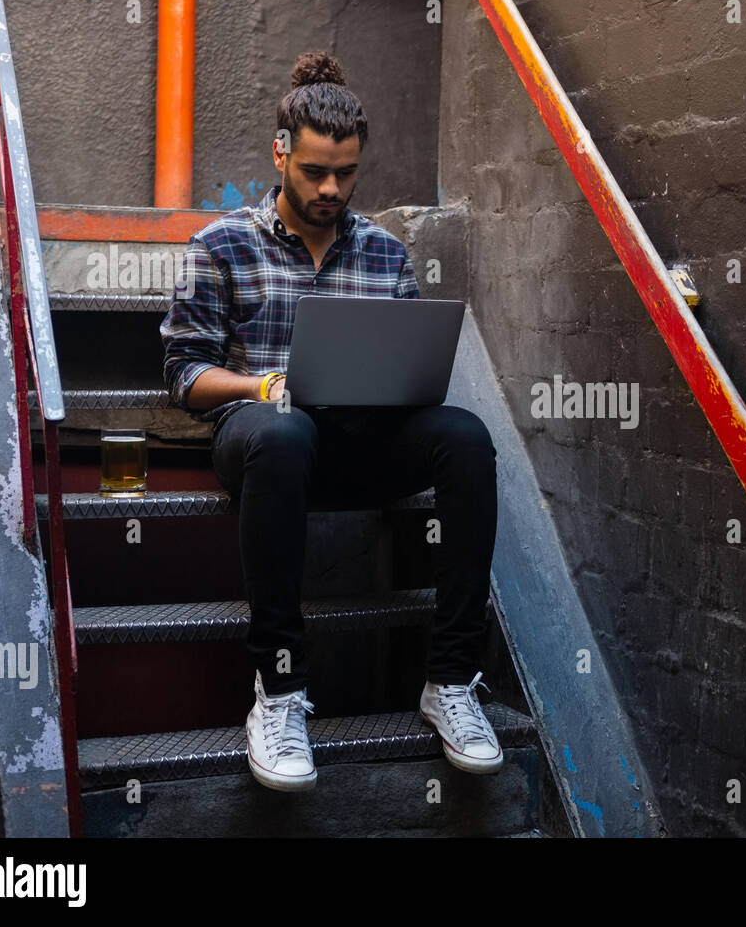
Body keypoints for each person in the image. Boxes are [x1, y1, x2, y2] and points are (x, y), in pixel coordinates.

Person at [159, 49, 503, 792]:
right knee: (285, 430)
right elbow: (184, 375)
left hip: (362, 441)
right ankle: (280, 693)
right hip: (265, 439)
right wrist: (260, 384)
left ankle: (450, 680)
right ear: (280, 154)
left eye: (346, 173)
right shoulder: (217, 245)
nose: (330, 188)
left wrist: (405, 386)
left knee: (467, 439)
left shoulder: (384, 253)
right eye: (315, 171)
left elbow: (409, 362)